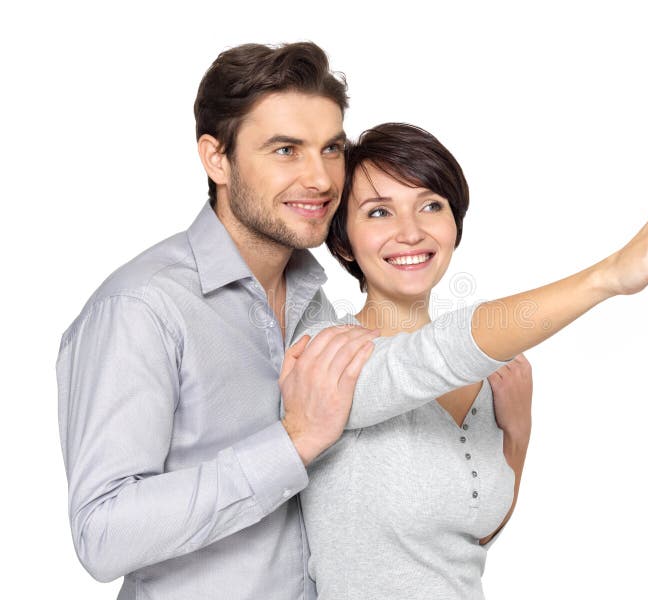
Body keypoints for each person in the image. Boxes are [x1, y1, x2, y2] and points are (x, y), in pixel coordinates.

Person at [56, 41, 529, 600]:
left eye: (330, 149)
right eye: (286, 150)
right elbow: (102, 535)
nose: (322, 179)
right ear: (216, 159)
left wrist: (513, 438)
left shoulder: (318, 307)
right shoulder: (141, 308)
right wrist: (294, 441)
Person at [288, 123, 648, 598]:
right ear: (342, 242)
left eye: (431, 205)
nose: (411, 231)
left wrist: (518, 433)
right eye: (379, 212)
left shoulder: (489, 379)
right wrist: (610, 275)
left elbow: (471, 536)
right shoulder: (326, 354)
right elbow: (434, 355)